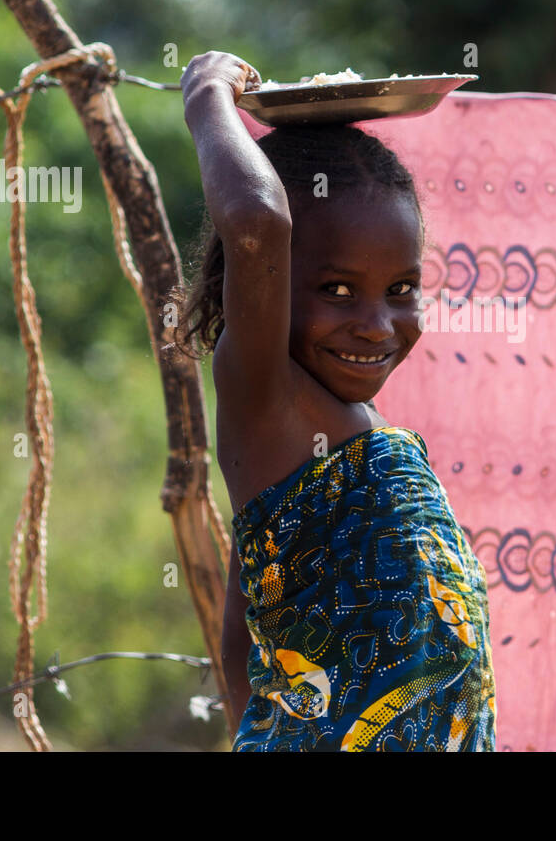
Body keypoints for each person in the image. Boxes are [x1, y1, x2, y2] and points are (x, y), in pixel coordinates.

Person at [176, 51, 496, 751]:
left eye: (402, 289)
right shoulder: (268, 403)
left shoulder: (348, 447)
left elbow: (243, 631)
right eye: (338, 291)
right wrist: (206, 94)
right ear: (266, 286)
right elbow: (258, 220)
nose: (378, 325)